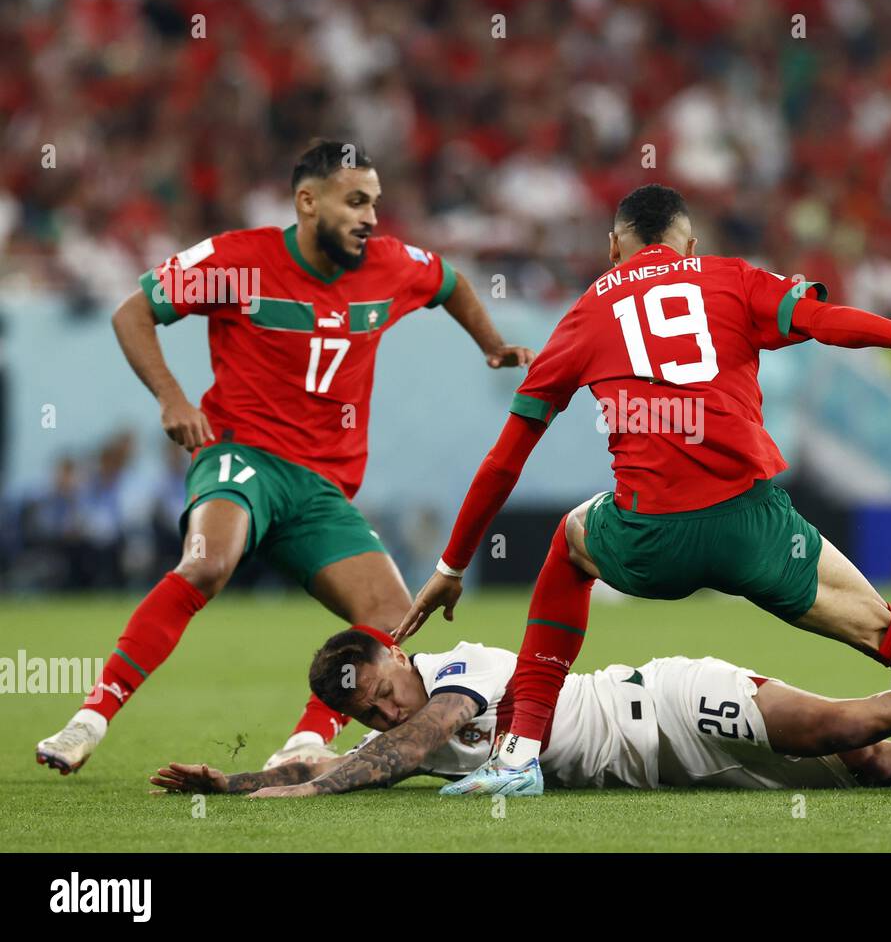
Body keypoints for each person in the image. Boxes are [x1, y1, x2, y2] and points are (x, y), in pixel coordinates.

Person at [395, 184, 891, 799]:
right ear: (688, 244)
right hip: (754, 530)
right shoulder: (731, 278)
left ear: (614, 248)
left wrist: (452, 566)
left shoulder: (586, 311)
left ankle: (521, 753)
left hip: (647, 539)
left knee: (568, 541)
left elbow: (504, 459)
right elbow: (819, 318)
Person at [36, 140, 534, 776]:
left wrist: (491, 345)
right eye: (356, 201)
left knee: (393, 613)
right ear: (308, 201)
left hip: (321, 488)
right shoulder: (237, 260)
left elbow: (451, 283)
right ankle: (90, 719)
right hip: (242, 458)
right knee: (208, 563)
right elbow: (133, 312)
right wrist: (172, 399)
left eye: (376, 203)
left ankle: (305, 741)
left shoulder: (390, 265)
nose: (371, 218)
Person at [148, 627, 891, 797]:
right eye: (369, 706)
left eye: (382, 682)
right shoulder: (391, 731)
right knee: (882, 768)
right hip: (668, 766)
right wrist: (231, 784)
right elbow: (325, 764)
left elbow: (412, 741)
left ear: (395, 656)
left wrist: (305, 791)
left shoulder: (453, 674)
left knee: (844, 721)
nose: (387, 704)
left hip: (664, 701)